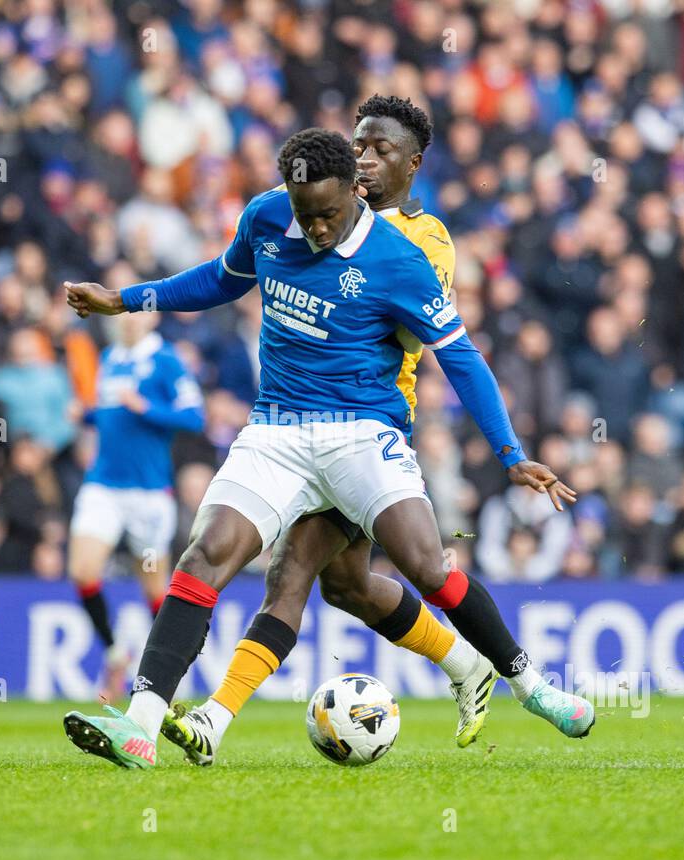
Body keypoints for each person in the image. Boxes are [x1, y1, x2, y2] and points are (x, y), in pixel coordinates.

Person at [60, 128, 593, 769]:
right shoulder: (265, 216)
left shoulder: (399, 260)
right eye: (304, 213)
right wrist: (125, 300)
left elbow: (462, 358)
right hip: (276, 429)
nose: (314, 228)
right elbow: (222, 280)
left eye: (328, 215)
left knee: (424, 566)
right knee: (207, 555)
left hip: (361, 432)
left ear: (355, 190)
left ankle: (529, 686)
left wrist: (510, 454)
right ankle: (140, 726)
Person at [164, 95, 499, 766]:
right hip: (301, 425)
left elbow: (420, 330)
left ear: (411, 163)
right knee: (344, 587)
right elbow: (233, 276)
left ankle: (213, 721)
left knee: (294, 573)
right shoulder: (312, 212)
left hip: (368, 428)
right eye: (359, 146)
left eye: (379, 151)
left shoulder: (419, 239)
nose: (366, 158)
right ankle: (467, 664)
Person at [69, 308, 204, 702]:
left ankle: (161, 677)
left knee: (153, 589)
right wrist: (88, 416)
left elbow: (194, 417)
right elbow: (114, 416)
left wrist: (147, 408)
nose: (128, 320)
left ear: (153, 320)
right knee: (83, 571)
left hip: (148, 492)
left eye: (136, 314)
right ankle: (114, 653)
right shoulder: (111, 357)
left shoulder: (166, 361)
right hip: (104, 486)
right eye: (123, 314)